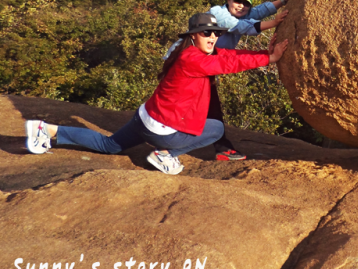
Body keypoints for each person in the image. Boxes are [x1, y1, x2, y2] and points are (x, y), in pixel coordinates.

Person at [25, 13, 289, 175]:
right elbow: (229, 64)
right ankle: (166, 155)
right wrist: (271, 59)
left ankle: (46, 131)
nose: (212, 37)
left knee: (109, 145)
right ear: (194, 36)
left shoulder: (192, 53)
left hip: (146, 117)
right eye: (207, 33)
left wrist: (266, 54)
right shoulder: (192, 59)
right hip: (162, 129)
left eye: (216, 33)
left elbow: (230, 55)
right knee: (217, 129)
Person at [163, 0, 293, 161]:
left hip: (205, 64)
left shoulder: (245, 14)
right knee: (199, 103)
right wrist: (274, 23)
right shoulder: (218, 13)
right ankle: (169, 143)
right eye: (237, 1)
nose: (241, 6)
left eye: (246, 4)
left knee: (206, 103)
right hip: (186, 62)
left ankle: (218, 146)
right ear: (229, 0)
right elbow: (240, 27)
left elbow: (260, 11)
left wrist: (284, 0)